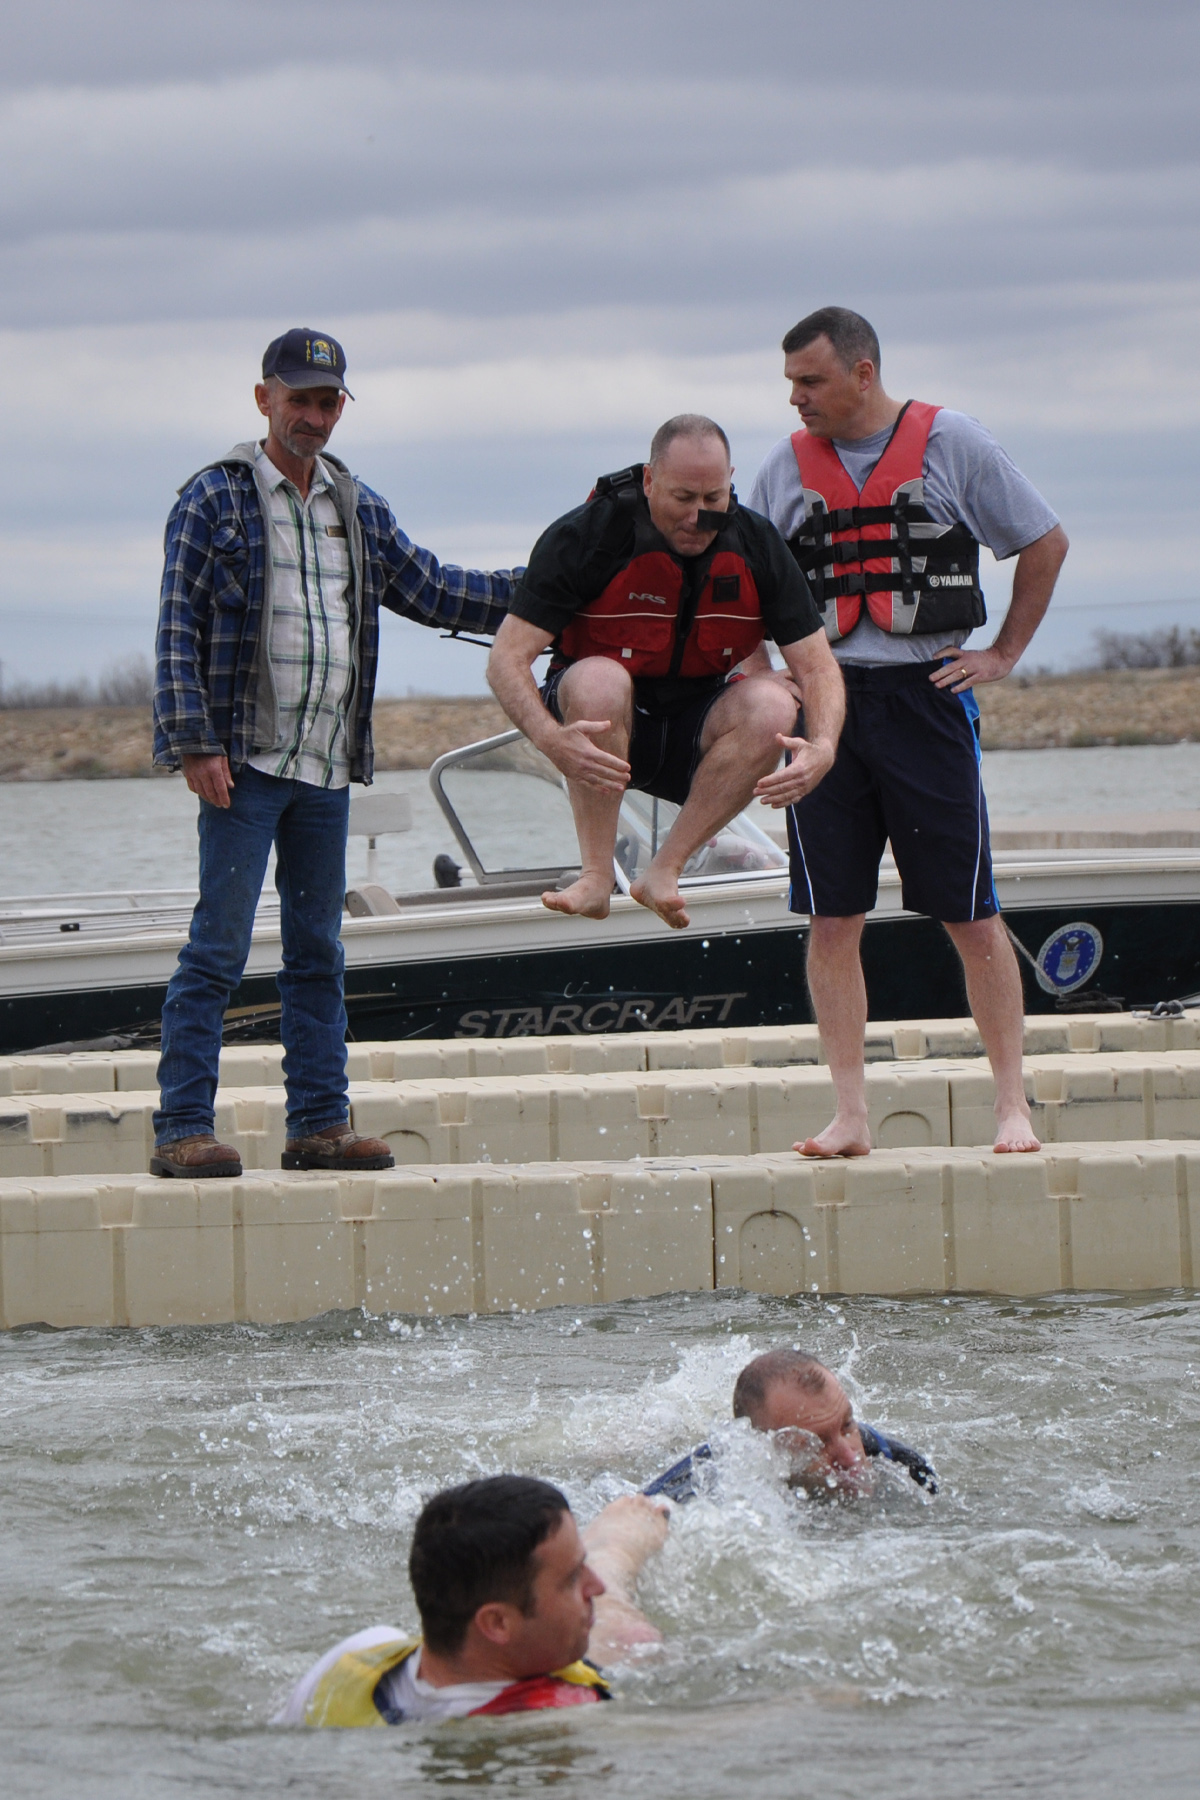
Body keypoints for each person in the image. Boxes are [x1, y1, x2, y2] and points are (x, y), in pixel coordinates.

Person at [150, 329, 516, 1178]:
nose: (313, 417)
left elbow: (432, 589)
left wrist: (558, 580)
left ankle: (318, 1125)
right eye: (299, 400)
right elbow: (176, 629)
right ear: (264, 399)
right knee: (218, 948)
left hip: (326, 765)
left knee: (318, 947)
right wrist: (195, 744)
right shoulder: (213, 498)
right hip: (242, 763)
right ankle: (180, 1131)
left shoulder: (358, 504)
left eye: (328, 402)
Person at [746, 308, 1069, 1157]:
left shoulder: (952, 442)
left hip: (927, 697)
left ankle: (1011, 1107)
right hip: (829, 707)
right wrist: (757, 672)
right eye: (789, 383)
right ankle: (851, 1115)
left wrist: (1002, 653)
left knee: (970, 912)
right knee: (831, 918)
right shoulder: (786, 465)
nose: (795, 400)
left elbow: (1044, 541)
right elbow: (744, 579)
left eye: (809, 382)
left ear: (862, 372)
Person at [486, 414, 845, 930]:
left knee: (775, 705)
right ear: (650, 481)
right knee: (599, 680)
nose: (698, 517)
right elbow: (506, 659)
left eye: (714, 500)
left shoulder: (755, 543)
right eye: (682, 499)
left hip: (694, 731)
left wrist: (825, 747)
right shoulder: (587, 534)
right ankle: (594, 875)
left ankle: (664, 871)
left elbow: (818, 668)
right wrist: (549, 738)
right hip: (596, 730)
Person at [276, 1476, 670, 1726]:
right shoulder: (560, 1723)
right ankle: (612, 1550)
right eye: (572, 1578)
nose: (594, 1586)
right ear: (496, 1623)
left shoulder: (360, 1654)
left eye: (584, 1568)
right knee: (631, 1636)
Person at [645, 1347, 937, 1501]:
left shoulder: (898, 1461)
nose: (849, 1457)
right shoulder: (704, 1489)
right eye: (817, 1444)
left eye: (847, 1426)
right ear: (762, 1450)